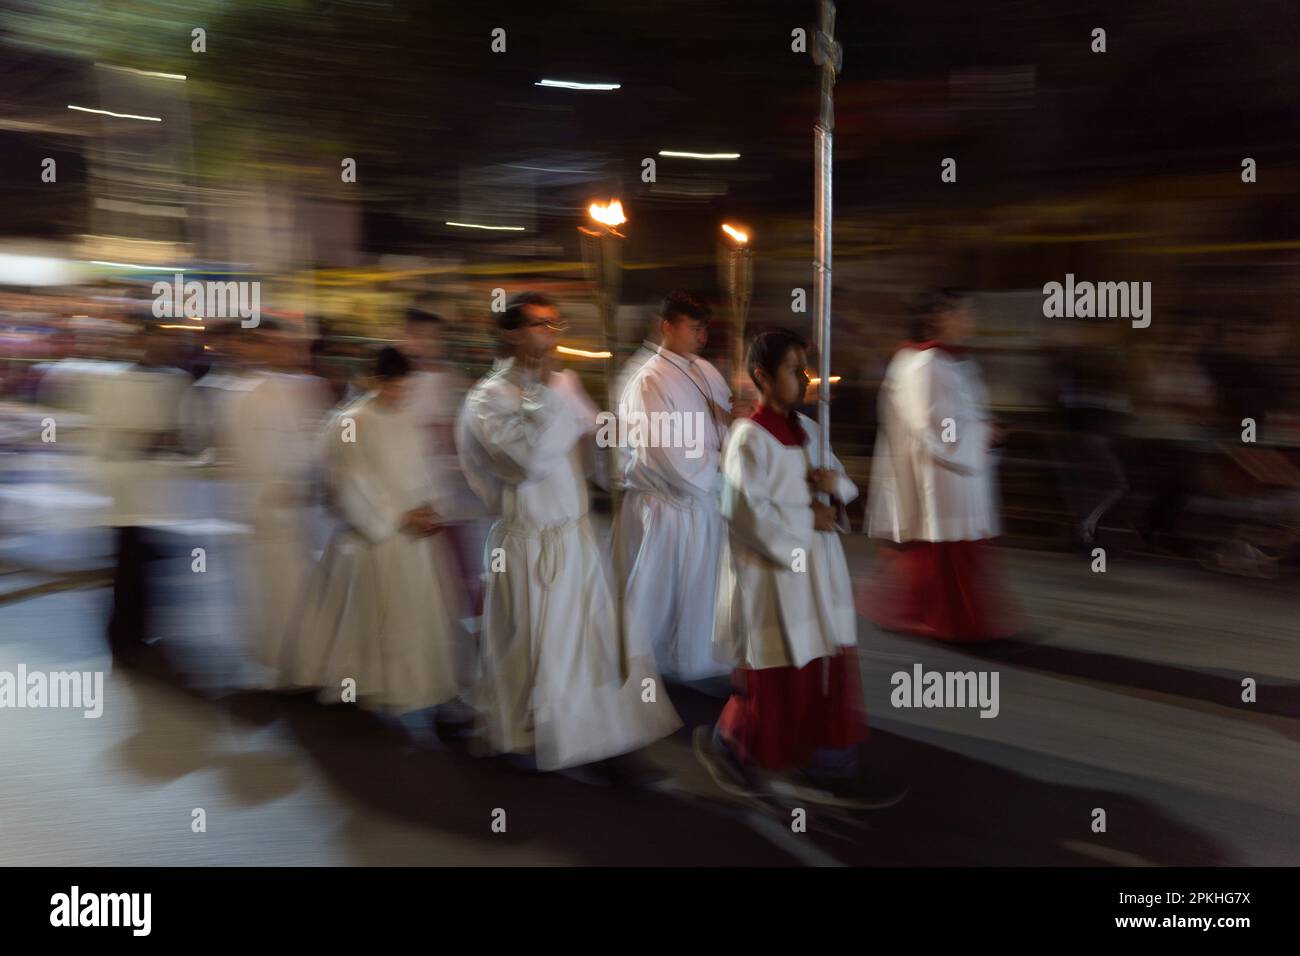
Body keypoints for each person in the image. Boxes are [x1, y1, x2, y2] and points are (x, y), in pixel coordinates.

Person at [457, 291, 680, 777]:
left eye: (555, 324)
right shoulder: (486, 399)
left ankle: (606, 740)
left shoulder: (564, 385)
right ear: (511, 333)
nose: (550, 335)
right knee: (532, 647)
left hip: (574, 539)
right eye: (539, 324)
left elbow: (597, 461)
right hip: (527, 545)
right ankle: (523, 730)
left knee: (594, 643)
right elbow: (525, 463)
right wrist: (560, 400)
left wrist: (613, 443)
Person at [698, 328, 898, 805]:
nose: (806, 378)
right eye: (794, 369)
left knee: (823, 664)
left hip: (818, 574)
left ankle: (828, 758)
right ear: (763, 377)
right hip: (774, 579)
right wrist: (807, 515)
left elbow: (840, 485)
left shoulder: (811, 431)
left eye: (806, 368)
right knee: (780, 673)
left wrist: (833, 487)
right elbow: (746, 514)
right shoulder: (748, 438)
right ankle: (735, 748)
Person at [282, 346, 463, 714]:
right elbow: (347, 481)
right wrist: (397, 516)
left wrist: (431, 506)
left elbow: (424, 468)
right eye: (394, 387)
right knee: (366, 619)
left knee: (409, 619)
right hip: (372, 539)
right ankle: (362, 686)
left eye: (406, 388)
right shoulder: (351, 421)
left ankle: (407, 687)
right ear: (375, 382)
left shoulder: (404, 419)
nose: (400, 395)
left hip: (411, 536)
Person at [860, 289, 1020, 642]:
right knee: (945, 549)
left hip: (958, 471)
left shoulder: (953, 361)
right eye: (960, 314)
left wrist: (983, 429)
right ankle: (949, 621)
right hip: (941, 475)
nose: (968, 321)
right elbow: (935, 426)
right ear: (936, 319)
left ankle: (951, 619)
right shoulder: (925, 364)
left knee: (954, 550)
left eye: (969, 313)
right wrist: (981, 432)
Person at [618, 291, 753, 683]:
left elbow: (726, 423)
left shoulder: (705, 370)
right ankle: (650, 668)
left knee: (702, 591)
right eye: (694, 328)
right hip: (672, 505)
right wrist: (723, 460)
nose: (702, 337)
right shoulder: (648, 380)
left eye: (704, 329)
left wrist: (735, 420)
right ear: (667, 327)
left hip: (705, 499)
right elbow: (667, 453)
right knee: (662, 596)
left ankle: (698, 661)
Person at [91, 316, 190, 665]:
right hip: (128, 490)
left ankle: (142, 629)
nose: (160, 347)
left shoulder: (175, 381)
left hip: (157, 491)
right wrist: (144, 439)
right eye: (153, 340)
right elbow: (107, 434)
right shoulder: (118, 382)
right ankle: (123, 635)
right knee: (129, 566)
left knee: (149, 567)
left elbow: (183, 431)